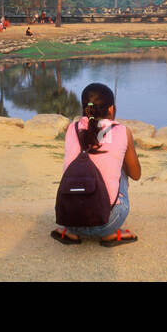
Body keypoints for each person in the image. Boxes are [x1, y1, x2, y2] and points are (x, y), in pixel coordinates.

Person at [51, 83, 142, 246]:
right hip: (107, 222)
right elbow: (136, 175)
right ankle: (109, 235)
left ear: (84, 108)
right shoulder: (122, 131)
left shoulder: (72, 128)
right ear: (111, 109)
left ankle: (72, 233)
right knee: (119, 168)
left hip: (69, 219)